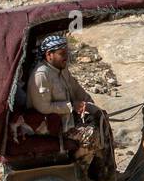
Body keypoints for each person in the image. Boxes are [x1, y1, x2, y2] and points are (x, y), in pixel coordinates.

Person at [27, 34, 111, 170]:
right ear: (49, 55)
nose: (66, 57)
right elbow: (43, 107)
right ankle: (79, 174)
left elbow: (76, 89)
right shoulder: (41, 75)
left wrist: (93, 107)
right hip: (51, 126)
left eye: (66, 53)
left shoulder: (62, 69)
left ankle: (105, 173)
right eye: (62, 54)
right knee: (90, 134)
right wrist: (71, 106)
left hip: (67, 120)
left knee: (102, 120)